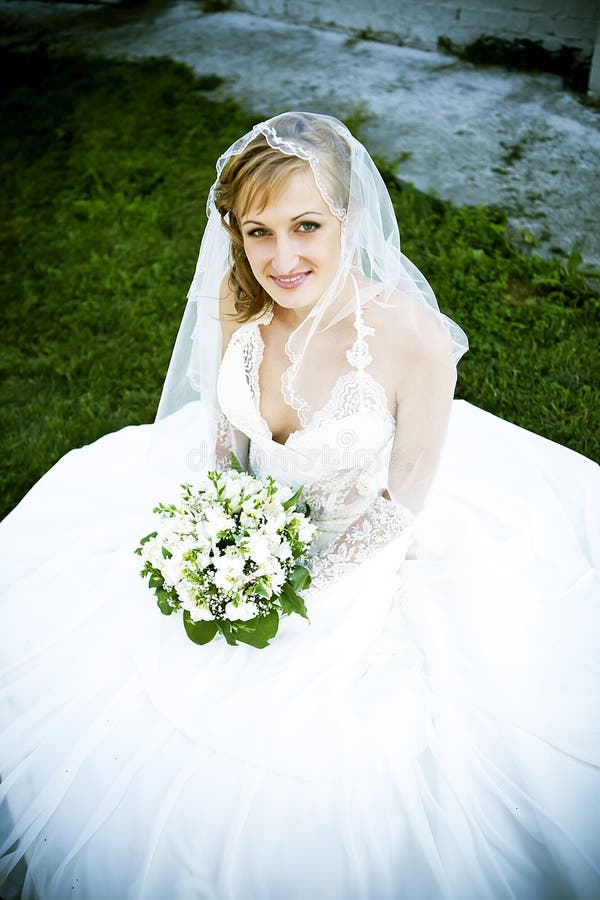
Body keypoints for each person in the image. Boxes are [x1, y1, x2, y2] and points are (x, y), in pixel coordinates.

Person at [0, 111, 598, 900]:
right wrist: (218, 538)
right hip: (252, 533)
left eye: (307, 226)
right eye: (259, 231)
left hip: (362, 548)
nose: (281, 258)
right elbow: (226, 442)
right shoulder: (238, 297)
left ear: (350, 219)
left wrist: (296, 586)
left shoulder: (415, 340)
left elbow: (401, 503)